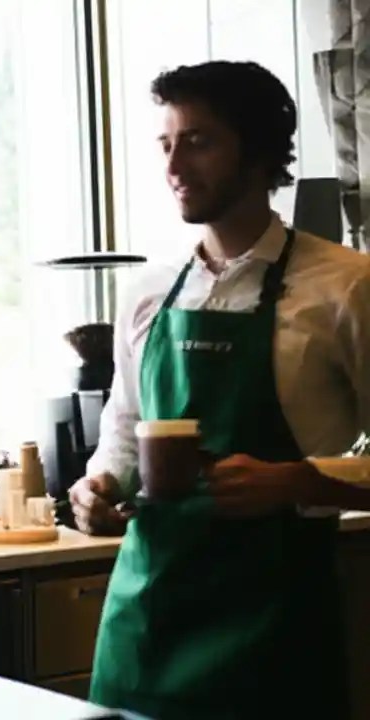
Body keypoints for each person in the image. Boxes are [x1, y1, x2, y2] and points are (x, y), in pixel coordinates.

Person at [69, 59, 370, 719]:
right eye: (166, 143)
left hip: (274, 623)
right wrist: (99, 487)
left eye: (199, 140)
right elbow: (124, 428)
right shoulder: (149, 291)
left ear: (261, 153)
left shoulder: (345, 287)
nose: (175, 163)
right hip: (147, 616)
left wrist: (298, 481)